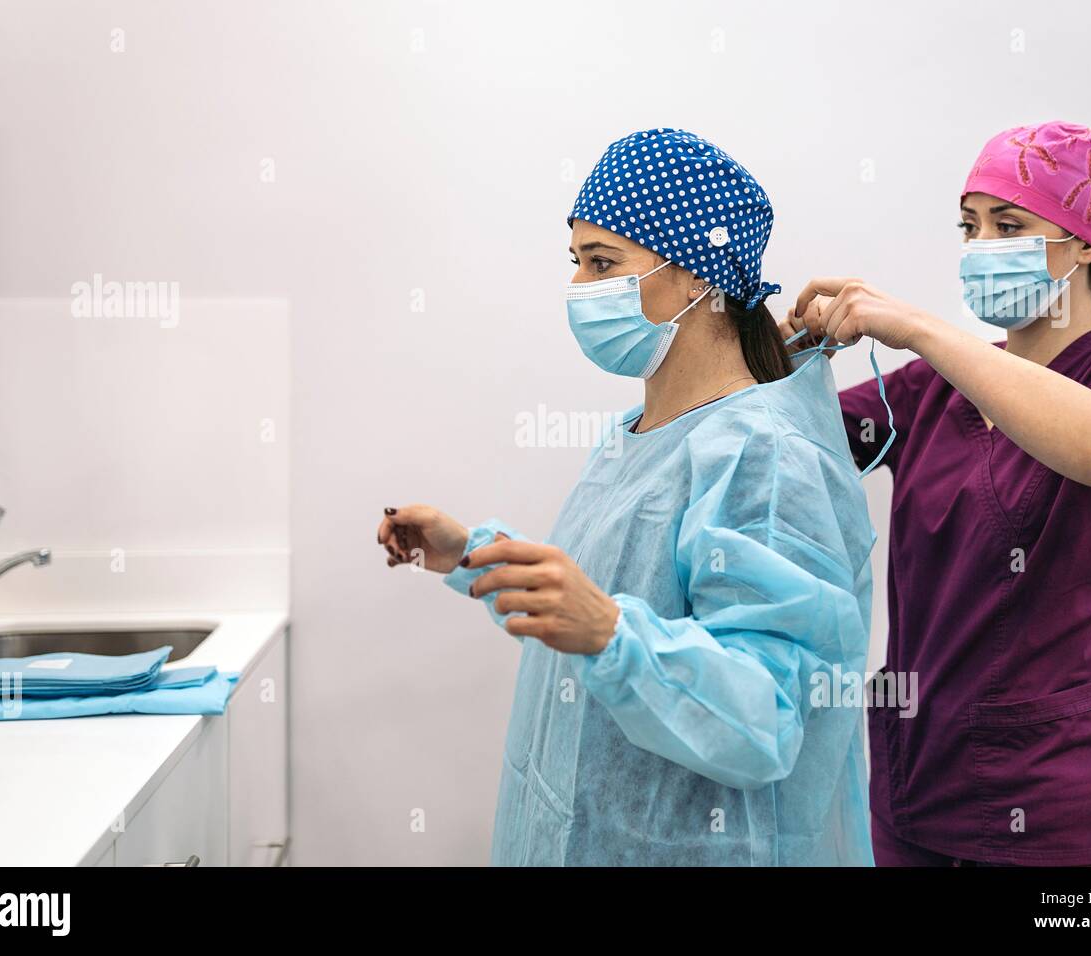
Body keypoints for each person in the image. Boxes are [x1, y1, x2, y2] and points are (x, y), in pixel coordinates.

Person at [378, 129, 885, 866]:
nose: (581, 291)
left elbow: (768, 718)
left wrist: (615, 636)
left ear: (697, 278)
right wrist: (471, 554)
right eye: (577, 265)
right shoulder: (638, 437)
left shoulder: (762, 455)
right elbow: (600, 599)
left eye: (603, 264)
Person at [786, 120, 1091, 866]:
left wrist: (919, 328)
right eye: (969, 227)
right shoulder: (927, 391)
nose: (980, 248)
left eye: (1008, 225)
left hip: (1063, 799)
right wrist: (783, 359)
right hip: (916, 790)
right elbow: (783, 453)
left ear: (1086, 243)